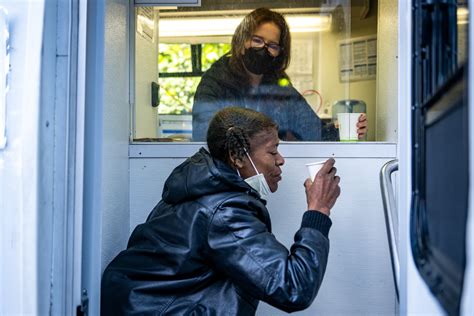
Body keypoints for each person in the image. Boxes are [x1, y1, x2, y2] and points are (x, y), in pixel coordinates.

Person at [101, 107, 341, 315]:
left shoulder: (200, 189)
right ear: (237, 157)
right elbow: (293, 288)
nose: (281, 160)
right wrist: (318, 210)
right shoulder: (224, 212)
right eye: (272, 151)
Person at [192, 7, 367, 142]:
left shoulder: (278, 83)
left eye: (272, 46)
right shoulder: (215, 80)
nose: (263, 49)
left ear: (280, 53)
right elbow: (205, 136)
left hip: (271, 173)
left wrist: (342, 129)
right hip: (228, 174)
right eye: (257, 40)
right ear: (242, 40)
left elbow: (311, 129)